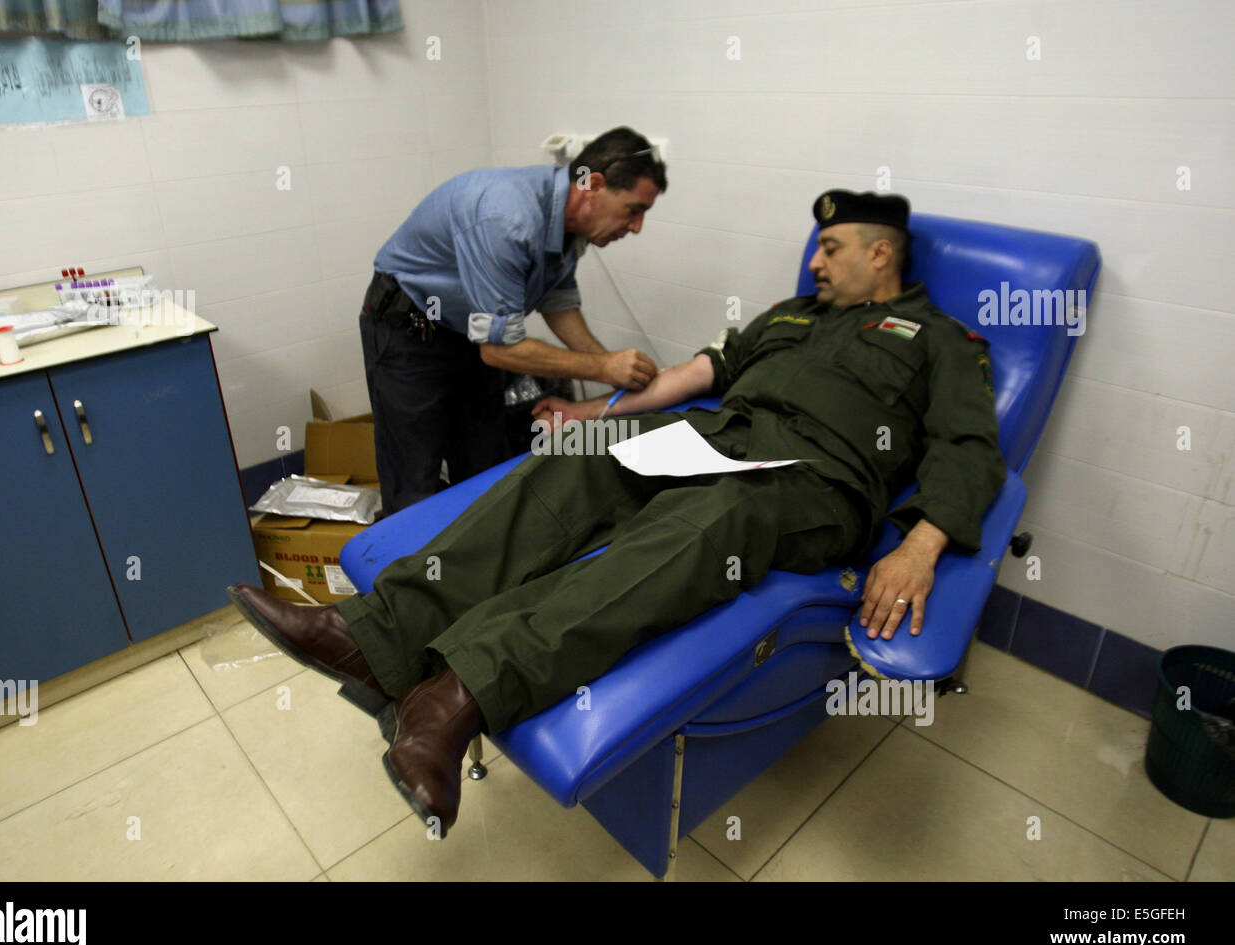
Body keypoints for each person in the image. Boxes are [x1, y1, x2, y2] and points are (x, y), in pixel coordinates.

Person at [233, 189, 1008, 837]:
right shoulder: (790, 314)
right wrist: (598, 411)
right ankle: (375, 635)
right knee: (577, 464)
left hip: (813, 481)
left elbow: (970, 448)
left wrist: (921, 546)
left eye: (830, 247)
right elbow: (697, 374)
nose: (814, 260)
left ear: (881, 255)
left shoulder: (942, 342)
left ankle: (453, 699)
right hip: (719, 435)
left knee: (704, 528)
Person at [360, 126, 667, 516]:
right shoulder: (507, 217)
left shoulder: (570, 222)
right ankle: (411, 568)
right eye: (634, 210)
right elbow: (499, 349)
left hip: (469, 330)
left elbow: (557, 301)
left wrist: (612, 373)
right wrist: (604, 365)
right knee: (414, 479)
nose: (636, 227)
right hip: (408, 329)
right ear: (595, 185)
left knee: (486, 463)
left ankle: (477, 562)